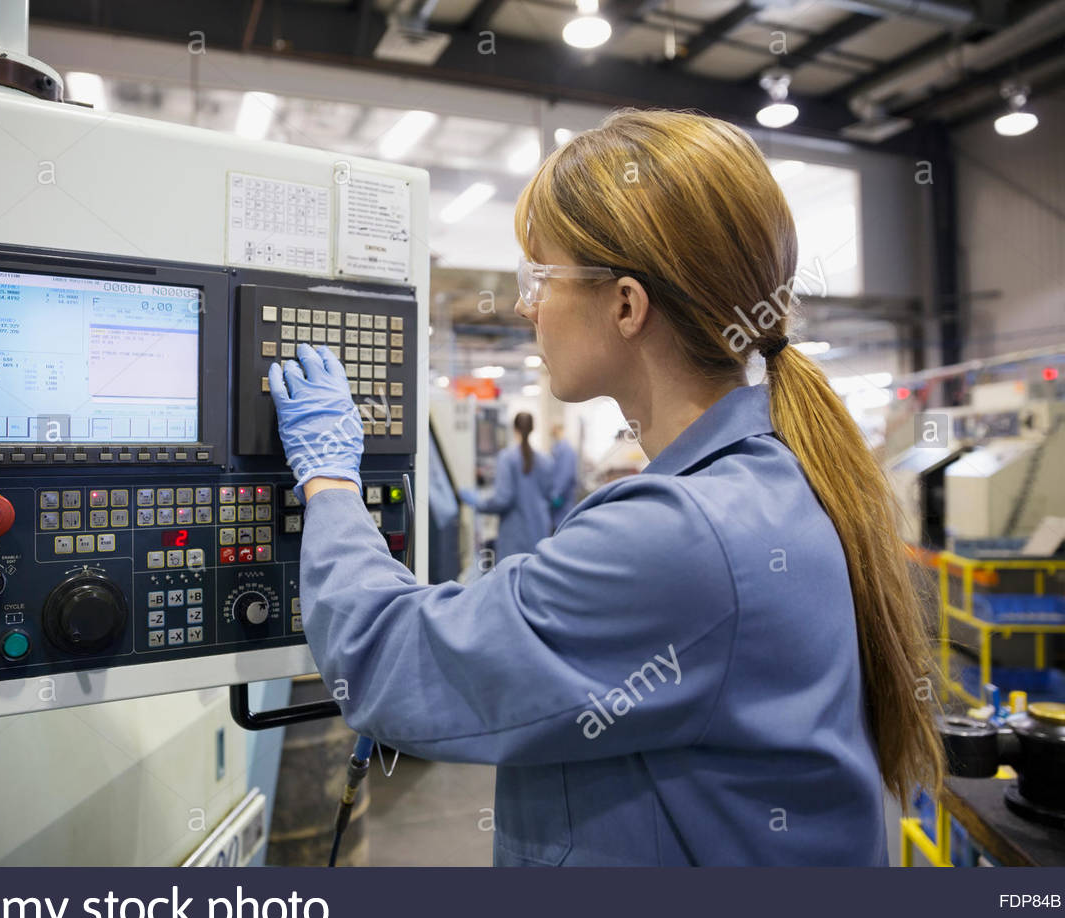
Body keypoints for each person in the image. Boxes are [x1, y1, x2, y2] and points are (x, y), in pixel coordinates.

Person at [267, 109, 942, 866]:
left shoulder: (684, 534)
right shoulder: (769, 480)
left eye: (540, 277)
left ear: (626, 303)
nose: (524, 305)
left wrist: (327, 479)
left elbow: (387, 661)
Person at [458, 412, 554, 561]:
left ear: (514, 429)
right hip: (540, 531)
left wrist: (478, 502)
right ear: (533, 428)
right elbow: (550, 495)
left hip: (515, 537)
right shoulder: (546, 461)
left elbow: (502, 500)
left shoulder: (507, 458)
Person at [547, 424, 578, 528]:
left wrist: (555, 494)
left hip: (563, 500)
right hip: (558, 502)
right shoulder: (557, 448)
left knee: (562, 526)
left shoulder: (566, 450)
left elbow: (565, 475)